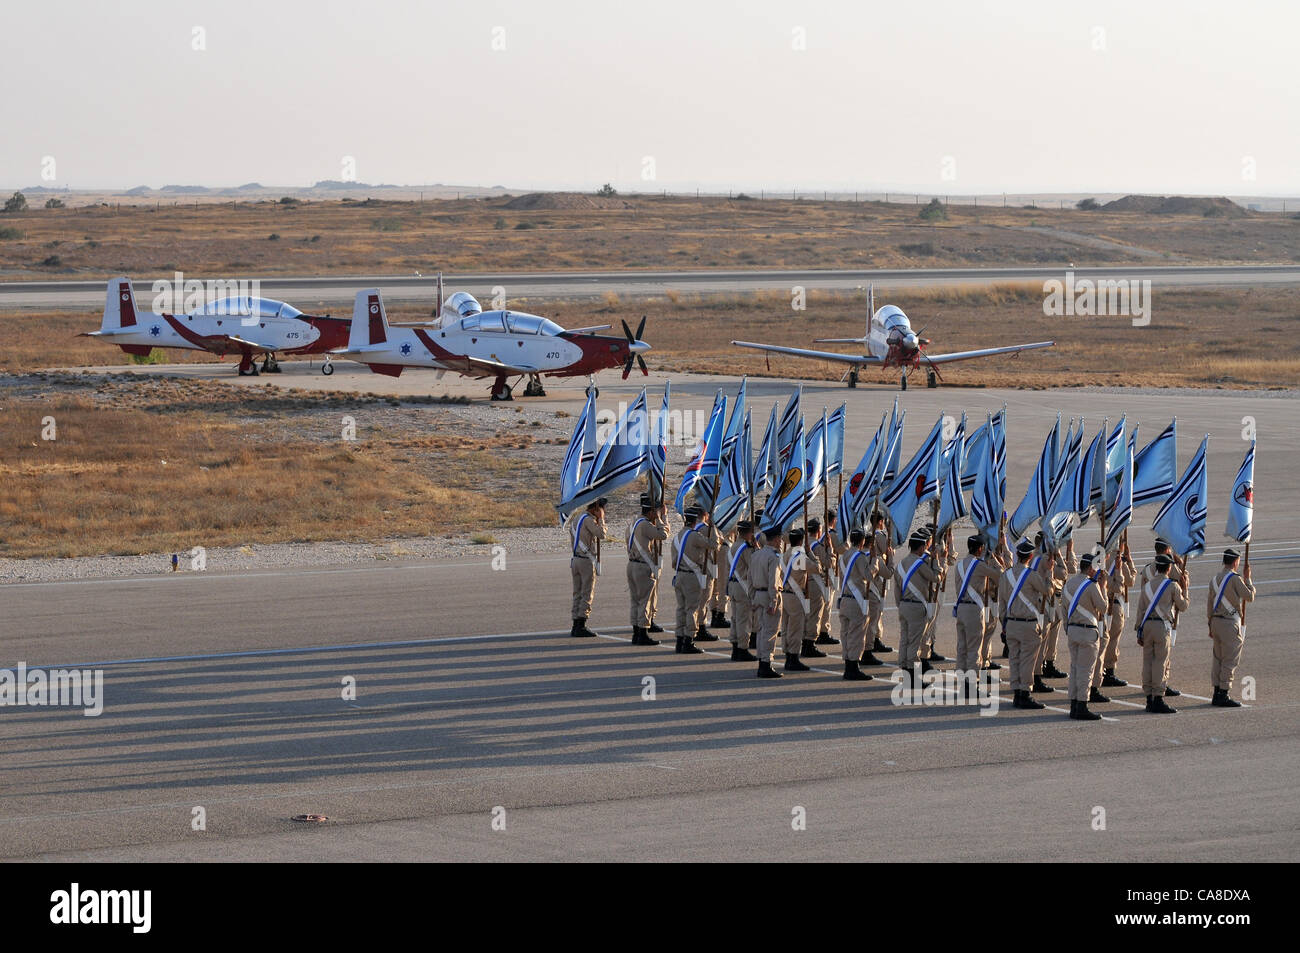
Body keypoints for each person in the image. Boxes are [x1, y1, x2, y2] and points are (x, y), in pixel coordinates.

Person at [998, 538, 1059, 710]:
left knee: (1014, 659)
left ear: (1017, 555)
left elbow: (1002, 603)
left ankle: (1016, 691)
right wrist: (1049, 573)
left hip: (1011, 623)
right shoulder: (1031, 576)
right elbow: (1048, 591)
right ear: (1030, 556)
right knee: (1027, 660)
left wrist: (1004, 622)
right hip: (1027, 624)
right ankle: (1024, 692)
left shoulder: (1005, 575)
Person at [1134, 553, 1190, 714]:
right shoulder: (1172, 586)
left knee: (1148, 661)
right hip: (1161, 626)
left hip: (1147, 626)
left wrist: (1139, 631)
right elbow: (1183, 606)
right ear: (1169, 568)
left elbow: (1140, 610)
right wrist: (1185, 589)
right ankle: (1157, 696)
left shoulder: (1147, 586)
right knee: (1160, 662)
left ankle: (1148, 696)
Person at [1062, 551, 1108, 721]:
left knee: (1074, 668)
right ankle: (1082, 704)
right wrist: (1102, 588)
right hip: (1087, 631)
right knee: (1085, 670)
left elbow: (1063, 609)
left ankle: (1074, 704)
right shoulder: (1091, 585)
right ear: (1089, 568)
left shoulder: (1069, 584)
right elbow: (1103, 608)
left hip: (1072, 629)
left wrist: (1067, 627)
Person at [1206, 547, 1255, 707]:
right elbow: (1249, 596)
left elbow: (1209, 604)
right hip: (1229, 623)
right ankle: (1224, 692)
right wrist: (1248, 579)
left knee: (1218, 658)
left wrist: (1209, 625)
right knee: (1230, 659)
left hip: (1215, 622)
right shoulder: (1235, 579)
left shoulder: (1214, 579)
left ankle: (1216, 691)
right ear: (1235, 561)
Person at [952, 534, 1002, 679]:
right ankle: (972, 683)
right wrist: (993, 559)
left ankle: (962, 680)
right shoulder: (978, 565)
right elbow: (1000, 576)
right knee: (974, 648)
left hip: (961, 607)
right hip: (974, 609)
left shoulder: (960, 565)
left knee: (962, 647)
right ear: (980, 549)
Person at [1139, 537, 1184, 698]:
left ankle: (1149, 689)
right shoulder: (1170, 568)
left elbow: (1142, 602)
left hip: (1147, 620)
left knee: (1148, 660)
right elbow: (1182, 585)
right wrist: (1178, 562)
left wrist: (1139, 627)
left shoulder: (1146, 570)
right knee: (1162, 659)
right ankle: (1160, 688)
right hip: (1163, 619)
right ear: (1166, 550)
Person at [894, 529, 937, 680]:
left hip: (904, 605)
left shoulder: (900, 564)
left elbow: (897, 590)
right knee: (914, 642)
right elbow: (935, 577)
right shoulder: (919, 563)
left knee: (904, 640)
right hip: (916, 606)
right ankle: (913, 676)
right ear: (920, 547)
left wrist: (901, 605)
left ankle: (905, 671)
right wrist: (938, 561)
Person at [626, 494, 669, 646]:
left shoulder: (633, 523)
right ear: (651, 512)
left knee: (635, 600)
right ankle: (642, 633)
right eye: (655, 511)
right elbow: (663, 535)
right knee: (645, 600)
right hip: (642, 566)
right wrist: (662, 519)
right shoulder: (645, 524)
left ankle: (636, 632)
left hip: (632, 563)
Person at [671, 505, 711, 655]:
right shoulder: (694, 536)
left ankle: (679, 640)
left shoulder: (677, 537)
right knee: (692, 609)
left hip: (679, 574)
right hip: (691, 576)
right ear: (695, 521)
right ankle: (689, 640)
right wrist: (711, 529)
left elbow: (674, 562)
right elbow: (713, 545)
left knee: (681, 608)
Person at [1099, 536, 1136, 687]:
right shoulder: (1118, 561)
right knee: (1112, 639)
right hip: (1113, 605)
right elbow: (1131, 581)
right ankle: (1109, 671)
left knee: (1101, 638)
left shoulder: (1100, 558)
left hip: (1099, 603)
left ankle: (1099, 669)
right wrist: (1129, 560)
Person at [837, 529, 874, 681]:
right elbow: (868, 575)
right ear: (862, 541)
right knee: (856, 635)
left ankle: (848, 665)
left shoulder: (844, 555)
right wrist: (875, 563)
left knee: (845, 634)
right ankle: (853, 667)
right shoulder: (859, 557)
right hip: (856, 599)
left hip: (845, 598)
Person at [569, 497, 607, 638]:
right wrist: (601, 519)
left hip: (576, 559)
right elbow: (602, 534)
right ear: (596, 509)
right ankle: (581, 624)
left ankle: (575, 623)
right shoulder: (589, 520)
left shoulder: (577, 517)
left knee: (577, 593)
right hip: (586, 560)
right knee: (586, 593)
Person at [750, 527, 784, 678]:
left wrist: (752, 597)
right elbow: (773, 582)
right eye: (780, 539)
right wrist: (774, 601)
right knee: (770, 631)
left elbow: (749, 578)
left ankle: (761, 661)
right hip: (769, 595)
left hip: (758, 594)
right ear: (776, 539)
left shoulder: (756, 554)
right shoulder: (774, 556)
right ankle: (766, 663)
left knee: (761, 630)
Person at [781, 527, 813, 672]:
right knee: (795, 628)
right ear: (800, 541)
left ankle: (788, 656)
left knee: (786, 627)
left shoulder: (786, 554)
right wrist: (810, 553)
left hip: (785, 594)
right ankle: (793, 657)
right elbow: (816, 568)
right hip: (795, 595)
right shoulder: (800, 556)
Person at [726, 520, 758, 662]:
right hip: (742, 586)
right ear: (750, 533)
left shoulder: (734, 546)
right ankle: (742, 649)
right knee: (744, 620)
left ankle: (735, 648)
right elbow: (753, 565)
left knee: (735, 619)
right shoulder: (745, 548)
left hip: (733, 585)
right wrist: (755, 550)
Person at [866, 512, 895, 657]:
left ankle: (875, 638)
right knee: (877, 610)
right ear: (880, 521)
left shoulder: (870, 534)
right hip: (879, 571)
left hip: (876, 569)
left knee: (877, 611)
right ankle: (875, 639)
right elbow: (887, 550)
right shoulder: (879, 535)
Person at [803, 518, 830, 657]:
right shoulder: (818, 546)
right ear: (819, 531)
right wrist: (829, 548)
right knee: (815, 615)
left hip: (803, 582)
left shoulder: (803, 544)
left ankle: (804, 642)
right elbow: (828, 563)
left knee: (806, 614)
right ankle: (810, 644)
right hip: (815, 582)